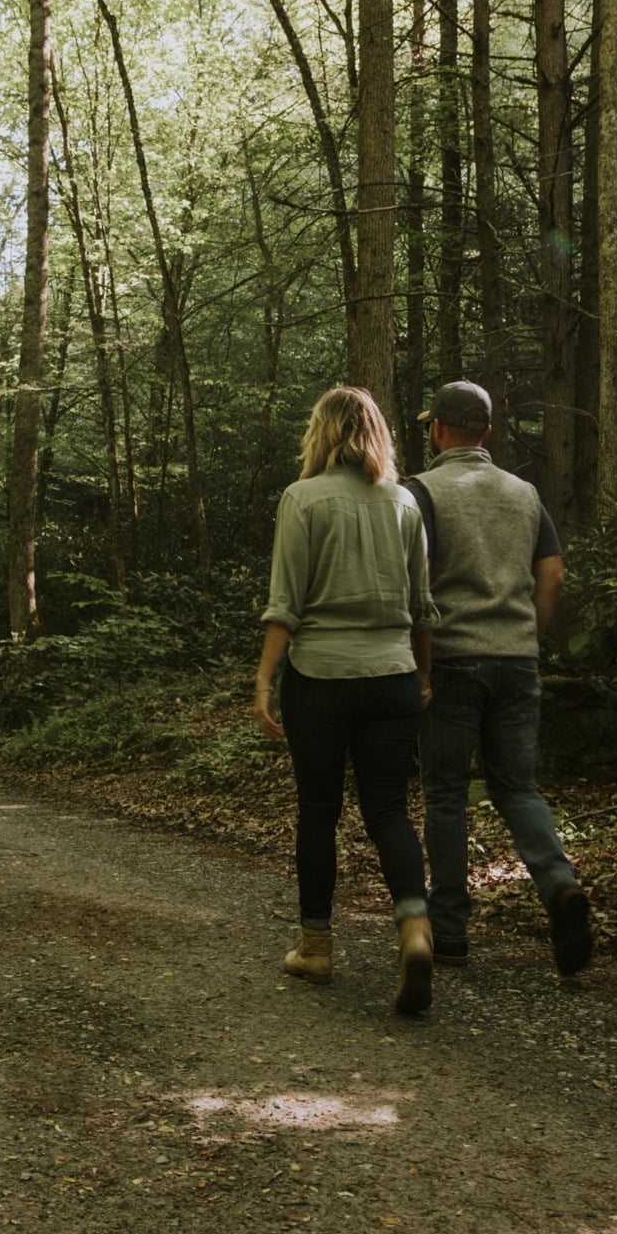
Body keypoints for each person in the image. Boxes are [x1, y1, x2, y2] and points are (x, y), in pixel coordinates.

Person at [252, 385, 439, 1013]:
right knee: (388, 811)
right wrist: (422, 676)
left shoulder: (301, 499)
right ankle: (414, 928)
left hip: (321, 677)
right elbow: (422, 610)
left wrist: (263, 680)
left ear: (322, 433)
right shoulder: (406, 503)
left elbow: (285, 604)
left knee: (318, 812)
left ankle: (316, 947)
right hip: (392, 673)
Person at [407, 380, 593, 976]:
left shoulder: (422, 493)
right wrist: (528, 638)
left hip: (453, 659)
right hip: (516, 659)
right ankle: (559, 883)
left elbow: (419, 589)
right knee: (518, 788)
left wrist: (423, 667)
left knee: (445, 794)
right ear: (486, 432)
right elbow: (554, 576)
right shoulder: (524, 493)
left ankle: (453, 932)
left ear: (437, 429)